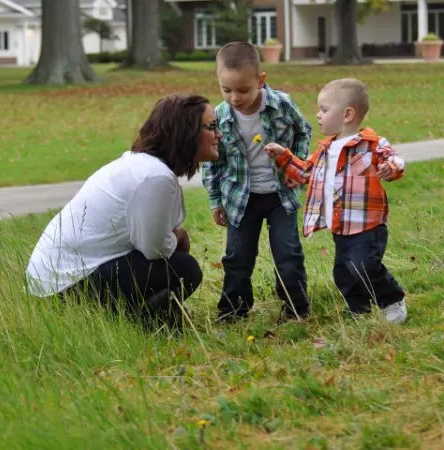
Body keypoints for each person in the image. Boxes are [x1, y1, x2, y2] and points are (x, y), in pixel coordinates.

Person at [26, 94, 222, 328]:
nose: (219, 134)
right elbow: (154, 250)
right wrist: (179, 236)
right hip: (62, 292)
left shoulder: (139, 165)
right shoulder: (154, 177)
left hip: (49, 286)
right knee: (186, 269)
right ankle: (142, 321)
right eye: (212, 127)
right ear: (187, 131)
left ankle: (147, 315)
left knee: (178, 253)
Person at [265, 78, 407, 324]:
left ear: (347, 114)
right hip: (340, 225)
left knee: (363, 265)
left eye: (324, 109)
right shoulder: (324, 149)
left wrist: (388, 167)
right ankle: (358, 309)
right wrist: (284, 157)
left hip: (367, 225)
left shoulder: (371, 143)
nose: (318, 115)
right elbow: (305, 173)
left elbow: (395, 160)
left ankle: (392, 299)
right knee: (343, 271)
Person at [202, 41, 311, 323]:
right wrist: (215, 201)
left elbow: (303, 132)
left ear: (260, 81)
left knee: (288, 253)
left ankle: (295, 308)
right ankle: (233, 310)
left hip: (280, 194)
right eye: (226, 90)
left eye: (243, 90)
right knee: (237, 256)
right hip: (241, 198)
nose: (235, 98)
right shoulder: (221, 116)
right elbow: (212, 161)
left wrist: (294, 164)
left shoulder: (281, 105)